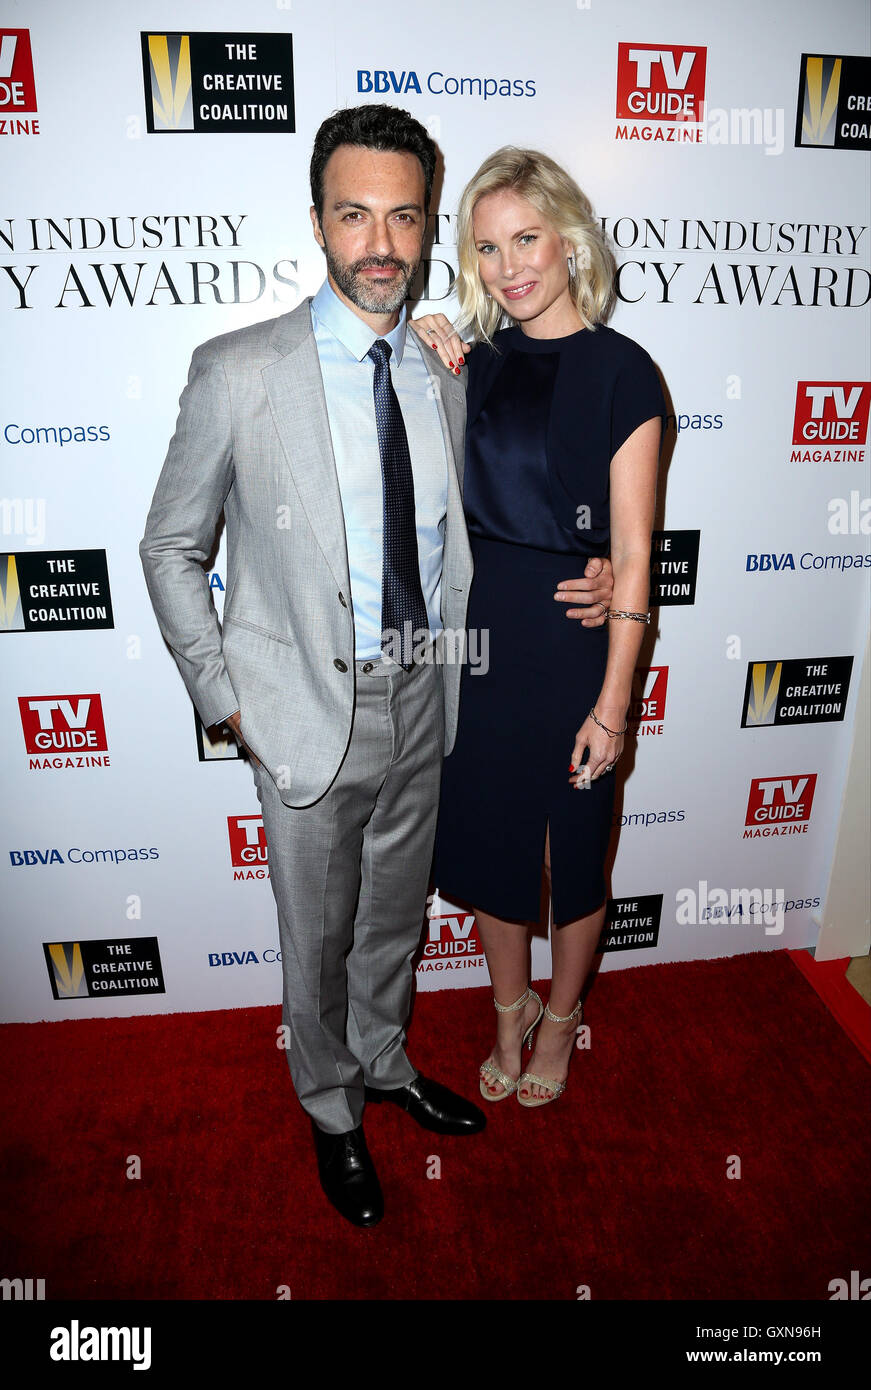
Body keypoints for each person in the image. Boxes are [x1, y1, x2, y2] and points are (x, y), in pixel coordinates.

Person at [140, 107, 615, 1229]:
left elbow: (503, 513)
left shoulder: (450, 366)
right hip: (299, 705)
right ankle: (329, 1105)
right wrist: (227, 700)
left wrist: (602, 571)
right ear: (316, 222)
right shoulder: (236, 371)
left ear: (425, 227)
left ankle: (383, 1061)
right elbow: (169, 547)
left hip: (428, 693)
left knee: (393, 919)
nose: (380, 241)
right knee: (316, 931)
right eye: (354, 214)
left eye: (404, 215)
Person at [410, 147, 664, 1108]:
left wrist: (614, 706)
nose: (509, 266)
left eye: (525, 238)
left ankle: (560, 1021)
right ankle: (506, 1011)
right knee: (489, 842)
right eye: (486, 248)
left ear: (567, 239)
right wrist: (430, 344)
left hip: (567, 648)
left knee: (569, 843)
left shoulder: (623, 371)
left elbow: (633, 559)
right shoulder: (468, 364)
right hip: (475, 646)